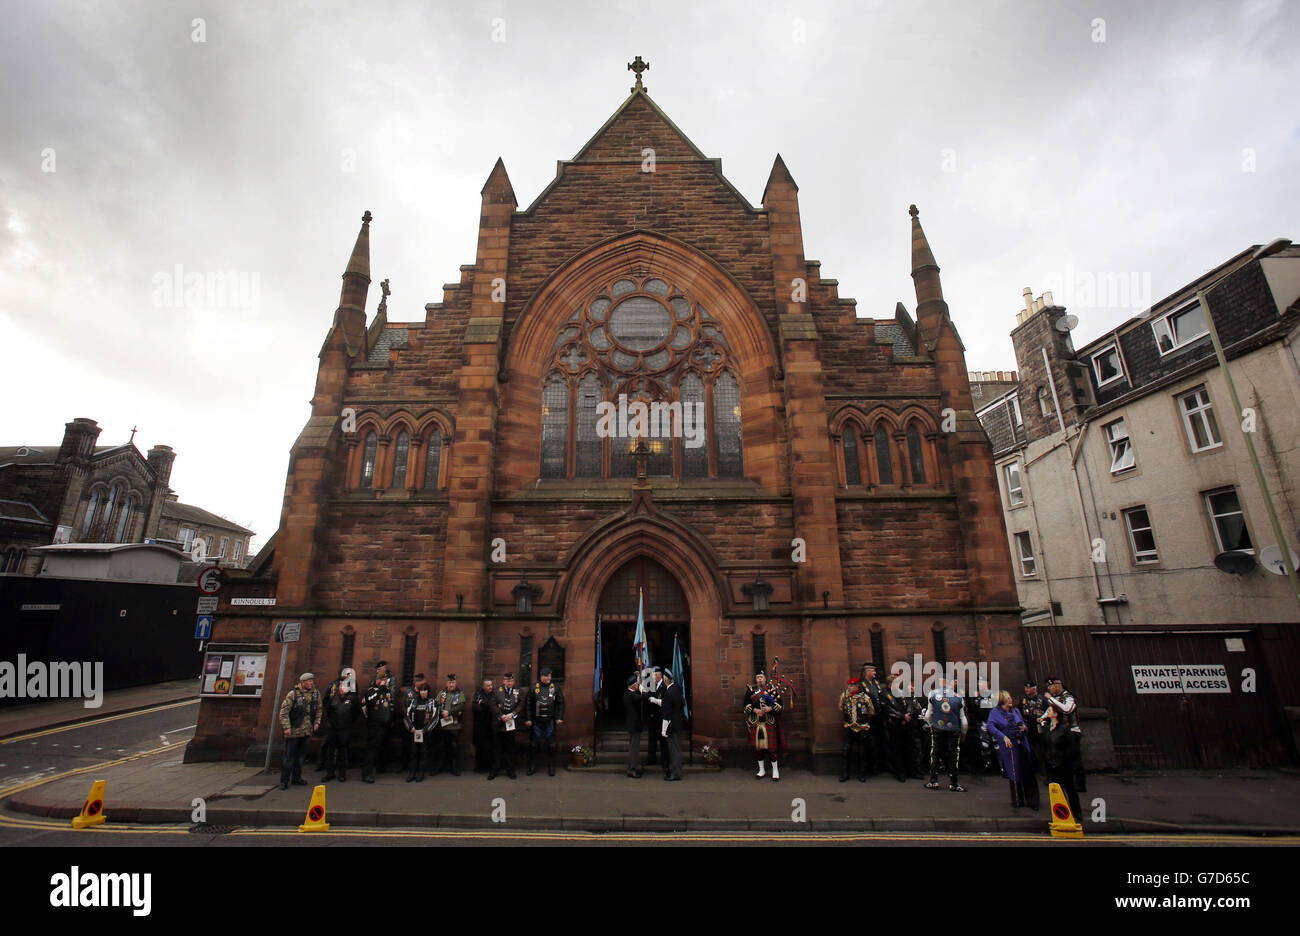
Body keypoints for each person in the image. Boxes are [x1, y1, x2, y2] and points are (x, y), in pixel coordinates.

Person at [987, 690, 1039, 810]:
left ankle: (1032, 800)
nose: (1010, 700)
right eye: (1008, 698)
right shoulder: (995, 712)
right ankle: (1017, 800)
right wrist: (1003, 737)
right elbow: (990, 726)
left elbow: (1023, 723)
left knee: (1028, 770)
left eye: (1010, 698)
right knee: (1014, 771)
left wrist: (1024, 728)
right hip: (1010, 746)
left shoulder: (1015, 711)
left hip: (1022, 743)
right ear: (1002, 700)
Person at [1040, 677, 1083, 818]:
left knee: (1071, 780)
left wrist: (1051, 699)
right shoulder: (1055, 702)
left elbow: (1067, 709)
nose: (1049, 689)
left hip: (1071, 732)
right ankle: (1062, 812)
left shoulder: (1068, 697)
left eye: (1051, 687)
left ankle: (1077, 809)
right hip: (1055, 751)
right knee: (1058, 786)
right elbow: (1047, 713)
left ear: (1058, 685)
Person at [278, 672, 321, 790]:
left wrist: (317, 722)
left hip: (307, 731)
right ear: (302, 682)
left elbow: (319, 709)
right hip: (294, 731)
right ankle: (284, 781)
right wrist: (286, 727)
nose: (311, 683)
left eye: (312, 681)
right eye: (309, 681)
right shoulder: (293, 694)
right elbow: (284, 712)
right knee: (289, 758)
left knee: (301, 757)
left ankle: (297, 778)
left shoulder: (315, 694)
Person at [924, 675, 966, 792]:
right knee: (953, 755)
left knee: (935, 753)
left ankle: (933, 781)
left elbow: (928, 715)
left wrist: (930, 724)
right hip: (954, 729)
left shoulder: (932, 694)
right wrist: (964, 732)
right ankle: (954, 783)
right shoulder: (958, 697)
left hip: (937, 728)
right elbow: (963, 719)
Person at [742, 671, 783, 781]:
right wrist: (755, 710)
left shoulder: (772, 690)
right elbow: (746, 704)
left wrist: (770, 708)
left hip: (768, 722)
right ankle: (761, 770)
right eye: (757, 677)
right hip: (756, 722)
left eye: (761, 677)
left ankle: (775, 770)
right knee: (758, 748)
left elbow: (779, 704)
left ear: (765, 679)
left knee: (772, 748)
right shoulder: (750, 690)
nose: (759, 679)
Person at [525, 667, 566, 776]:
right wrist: (528, 719)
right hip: (536, 722)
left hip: (549, 722)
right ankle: (532, 766)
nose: (548, 678)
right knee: (533, 745)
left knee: (552, 745)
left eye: (550, 676)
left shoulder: (555, 688)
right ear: (541, 676)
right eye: (546, 676)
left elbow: (561, 703)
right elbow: (528, 704)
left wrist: (559, 717)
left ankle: (552, 766)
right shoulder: (534, 688)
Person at [322, 673, 361, 782]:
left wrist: (348, 722)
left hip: (345, 729)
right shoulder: (333, 699)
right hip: (333, 729)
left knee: (343, 753)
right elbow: (328, 711)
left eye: (346, 686)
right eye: (342, 686)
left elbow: (356, 713)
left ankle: (342, 774)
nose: (344, 688)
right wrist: (331, 723)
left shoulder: (352, 699)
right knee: (331, 752)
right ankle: (330, 773)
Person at [860, 662, 895, 778]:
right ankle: (874, 767)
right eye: (873, 671)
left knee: (885, 740)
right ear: (867, 672)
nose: (875, 673)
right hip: (870, 718)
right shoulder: (862, 685)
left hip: (880, 716)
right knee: (872, 743)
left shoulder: (876, 683)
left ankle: (885, 763)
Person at [317, 666, 355, 771]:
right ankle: (322, 763)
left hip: (345, 721)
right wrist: (328, 716)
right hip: (332, 721)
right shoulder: (333, 685)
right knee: (327, 744)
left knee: (344, 746)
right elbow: (326, 701)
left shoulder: (351, 685)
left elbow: (355, 705)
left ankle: (342, 766)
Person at [360, 669, 395, 783]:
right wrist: (380, 689)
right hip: (374, 724)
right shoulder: (372, 690)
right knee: (372, 749)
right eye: (383, 680)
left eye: (386, 680)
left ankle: (381, 767)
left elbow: (389, 705)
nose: (385, 682)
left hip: (385, 724)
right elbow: (369, 701)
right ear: (378, 680)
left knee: (383, 747)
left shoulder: (387, 691)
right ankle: (367, 773)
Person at [489, 672, 523, 780]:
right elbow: (492, 704)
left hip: (511, 723)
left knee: (510, 749)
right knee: (497, 749)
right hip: (499, 724)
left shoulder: (517, 691)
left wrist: (512, 714)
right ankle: (495, 770)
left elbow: (521, 704)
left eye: (511, 681)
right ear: (503, 681)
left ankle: (510, 770)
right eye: (507, 681)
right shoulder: (497, 691)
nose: (509, 683)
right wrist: (501, 715)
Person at [838, 676, 873, 782]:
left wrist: (862, 720)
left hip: (862, 727)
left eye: (852, 685)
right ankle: (845, 773)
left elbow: (871, 711)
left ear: (857, 686)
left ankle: (862, 773)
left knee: (862, 751)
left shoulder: (864, 697)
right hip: (849, 726)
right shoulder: (844, 696)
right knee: (846, 750)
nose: (850, 687)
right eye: (849, 685)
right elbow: (841, 708)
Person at [431, 674, 466, 776]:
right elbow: (436, 704)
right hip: (442, 725)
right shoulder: (442, 693)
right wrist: (443, 712)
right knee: (441, 746)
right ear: (446, 683)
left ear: (456, 683)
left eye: (453, 682)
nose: (451, 684)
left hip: (454, 725)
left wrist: (449, 712)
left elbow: (461, 706)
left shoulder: (460, 693)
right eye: (450, 682)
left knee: (454, 747)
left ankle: (454, 767)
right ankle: (439, 766)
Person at [403, 681, 437, 782]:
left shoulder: (432, 702)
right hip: (414, 731)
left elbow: (435, 717)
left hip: (425, 732)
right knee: (413, 752)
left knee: (423, 752)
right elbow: (407, 715)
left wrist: (425, 730)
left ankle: (421, 773)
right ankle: (412, 772)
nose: (423, 692)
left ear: (428, 691)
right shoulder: (413, 701)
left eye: (425, 690)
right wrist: (410, 727)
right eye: (422, 690)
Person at [660, 668, 685, 781]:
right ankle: (677, 771)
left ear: (665, 680)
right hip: (678, 724)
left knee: (674, 751)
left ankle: (675, 773)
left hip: (672, 726)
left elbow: (666, 713)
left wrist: (663, 730)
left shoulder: (668, 693)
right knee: (677, 749)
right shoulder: (678, 690)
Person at [1019, 681, 1046, 783]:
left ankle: (1045, 772)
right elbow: (1019, 712)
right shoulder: (1023, 700)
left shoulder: (1042, 699)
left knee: (1043, 751)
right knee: (1029, 749)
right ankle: (1032, 770)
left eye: (1029, 688)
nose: (1027, 690)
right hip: (1028, 727)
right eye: (1026, 688)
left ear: (1035, 689)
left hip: (1039, 727)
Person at [472, 678, 495, 773]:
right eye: (488, 685)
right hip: (480, 724)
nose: (490, 687)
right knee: (480, 746)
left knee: (491, 746)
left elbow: (493, 706)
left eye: (491, 685)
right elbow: (474, 707)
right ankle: (480, 766)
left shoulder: (494, 694)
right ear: (483, 686)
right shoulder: (478, 694)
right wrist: (482, 705)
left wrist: (483, 703)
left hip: (491, 723)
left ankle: (490, 766)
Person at [624, 673, 645, 778]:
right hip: (634, 725)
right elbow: (644, 696)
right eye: (637, 684)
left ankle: (633, 767)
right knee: (634, 749)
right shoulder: (630, 695)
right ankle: (632, 769)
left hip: (633, 725)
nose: (638, 685)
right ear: (633, 685)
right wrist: (643, 689)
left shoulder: (628, 693)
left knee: (634, 748)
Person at [644, 666, 665, 767]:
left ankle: (665, 761)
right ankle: (651, 759)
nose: (653, 677)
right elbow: (646, 697)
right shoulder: (651, 685)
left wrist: (655, 700)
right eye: (652, 675)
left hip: (661, 717)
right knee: (651, 740)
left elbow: (666, 702)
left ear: (659, 675)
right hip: (652, 718)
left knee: (663, 740)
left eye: (654, 675)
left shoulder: (665, 686)